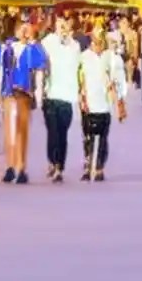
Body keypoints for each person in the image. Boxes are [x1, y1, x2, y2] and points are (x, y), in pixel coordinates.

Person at [0, 21, 47, 184]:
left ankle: (21, 167)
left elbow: (40, 63)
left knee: (22, 131)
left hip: (24, 93)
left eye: (27, 29)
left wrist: (32, 41)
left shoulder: (33, 49)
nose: (23, 32)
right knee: (10, 132)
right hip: (9, 93)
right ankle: (10, 166)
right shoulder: (7, 47)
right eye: (21, 29)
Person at [79, 33, 127, 182]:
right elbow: (79, 78)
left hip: (105, 104)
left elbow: (118, 81)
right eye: (95, 42)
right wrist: (81, 97)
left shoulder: (111, 58)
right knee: (88, 138)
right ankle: (87, 166)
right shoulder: (84, 57)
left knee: (103, 138)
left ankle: (99, 167)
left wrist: (120, 103)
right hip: (88, 103)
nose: (98, 45)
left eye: (101, 42)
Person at [41, 17, 82, 183]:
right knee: (53, 132)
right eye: (60, 24)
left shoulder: (75, 46)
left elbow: (79, 65)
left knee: (63, 133)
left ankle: (59, 166)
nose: (63, 28)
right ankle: (53, 161)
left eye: (66, 24)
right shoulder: (48, 42)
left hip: (68, 96)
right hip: (51, 95)